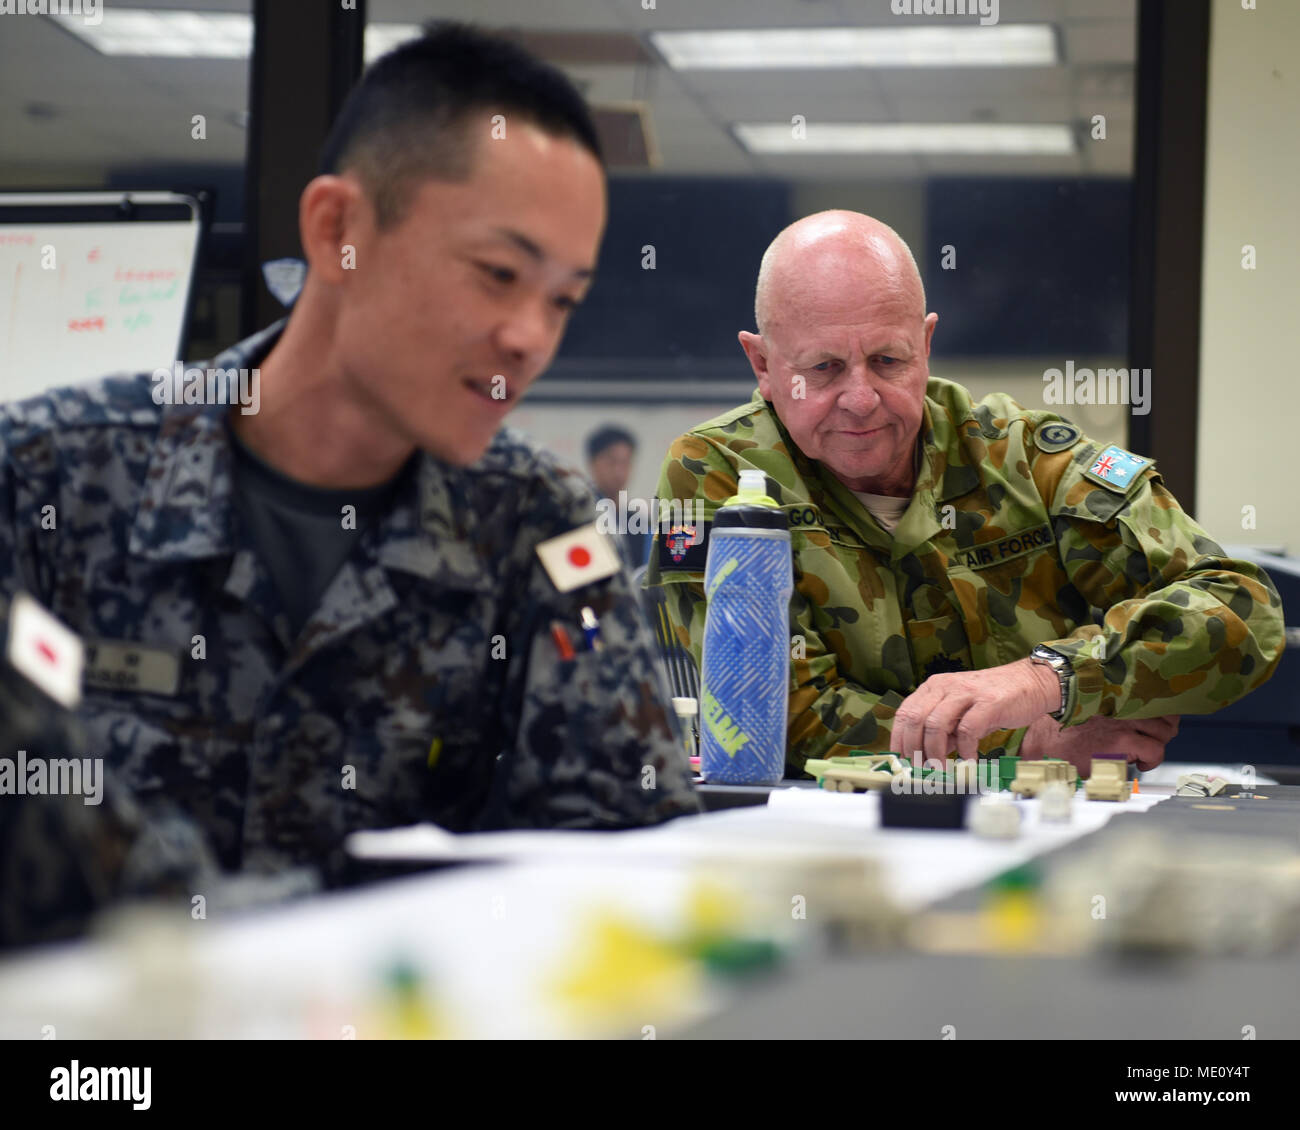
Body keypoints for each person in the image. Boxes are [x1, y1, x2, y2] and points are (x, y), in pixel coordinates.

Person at [0, 23, 699, 944]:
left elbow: (626, 861)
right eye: (499, 273)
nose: (531, 337)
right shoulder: (53, 476)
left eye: (563, 298)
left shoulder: (535, 525)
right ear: (338, 232)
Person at [645, 210, 1284, 778]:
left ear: (925, 344)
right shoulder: (718, 476)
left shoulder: (1025, 459)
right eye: (824, 368)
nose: (862, 399)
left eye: (889, 362)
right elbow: (770, 719)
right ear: (762, 365)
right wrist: (1031, 747)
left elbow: (1243, 611)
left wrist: (1049, 679)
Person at [586, 424, 650, 568]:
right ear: (593, 463)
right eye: (611, 462)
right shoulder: (579, 517)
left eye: (625, 463)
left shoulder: (639, 523)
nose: (619, 471)